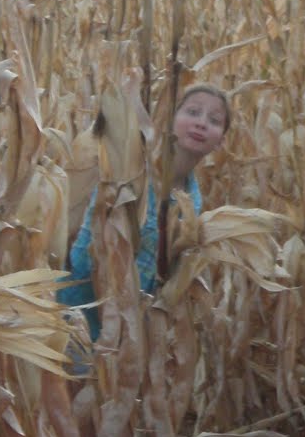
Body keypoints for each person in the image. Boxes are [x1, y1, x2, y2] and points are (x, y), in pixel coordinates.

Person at [61, 83, 231, 340]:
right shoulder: (132, 169)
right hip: (79, 308)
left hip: (132, 328)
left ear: (221, 142)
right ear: (167, 118)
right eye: (193, 112)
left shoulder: (192, 202)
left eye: (214, 120)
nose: (202, 123)